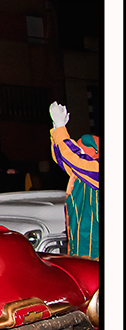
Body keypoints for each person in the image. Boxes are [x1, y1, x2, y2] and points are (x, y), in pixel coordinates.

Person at [48, 102, 99, 260]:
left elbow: (73, 157)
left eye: (82, 149)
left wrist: (60, 127)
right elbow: (62, 157)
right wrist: (56, 130)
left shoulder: (96, 170)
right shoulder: (82, 173)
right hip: (80, 242)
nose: (78, 150)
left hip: (94, 247)